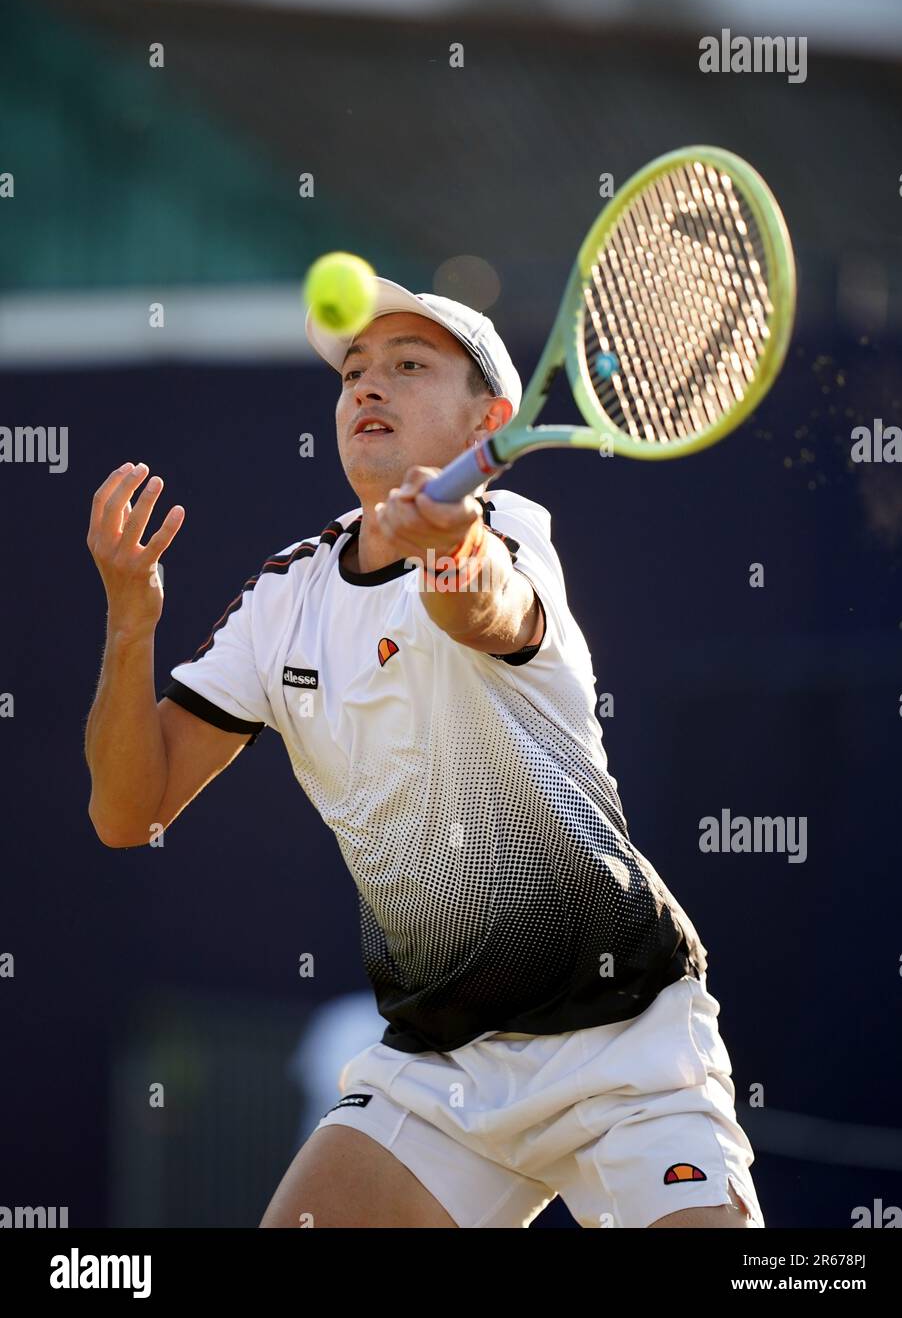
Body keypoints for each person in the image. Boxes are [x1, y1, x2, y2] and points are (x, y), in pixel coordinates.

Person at [84, 279, 763, 1229]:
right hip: (436, 1065)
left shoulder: (510, 535)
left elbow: (476, 605)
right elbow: (129, 812)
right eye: (354, 371)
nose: (368, 387)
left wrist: (446, 543)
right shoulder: (285, 597)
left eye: (408, 367)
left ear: (490, 418)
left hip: (627, 1042)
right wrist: (130, 619)